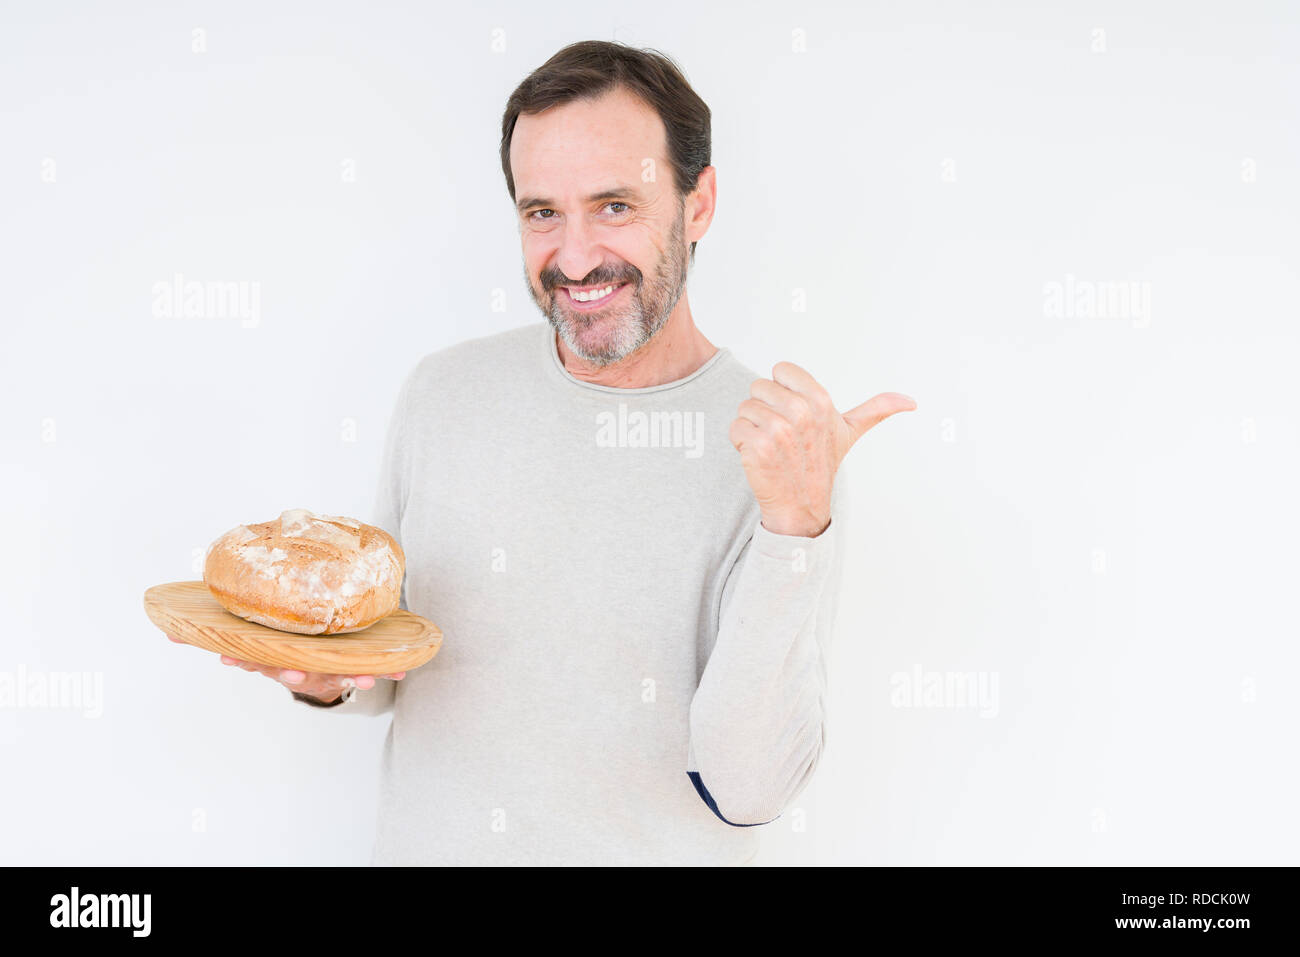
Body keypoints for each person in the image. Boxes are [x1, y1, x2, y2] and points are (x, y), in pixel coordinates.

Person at [170, 40, 914, 865]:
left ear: (698, 202)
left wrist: (793, 528)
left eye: (615, 206)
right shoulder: (443, 393)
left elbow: (748, 789)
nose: (575, 255)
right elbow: (386, 660)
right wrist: (324, 674)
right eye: (542, 212)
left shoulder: (782, 457)